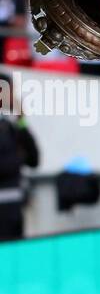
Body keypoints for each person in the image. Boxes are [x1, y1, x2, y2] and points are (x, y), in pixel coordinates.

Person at [0, 71, 40, 241]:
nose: (14, 97)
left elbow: (34, 160)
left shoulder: (11, 127)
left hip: (14, 211)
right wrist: (17, 159)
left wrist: (21, 121)